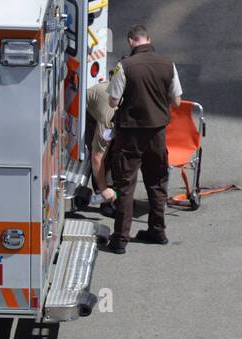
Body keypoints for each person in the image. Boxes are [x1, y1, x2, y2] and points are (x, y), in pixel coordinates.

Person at [104, 24, 182, 254]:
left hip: (130, 135)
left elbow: (112, 102)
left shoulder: (124, 66)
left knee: (126, 186)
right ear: (149, 39)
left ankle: (120, 240)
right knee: (157, 184)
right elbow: (177, 101)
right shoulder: (168, 64)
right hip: (157, 134)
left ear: (130, 41)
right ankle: (157, 232)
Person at [74, 81, 118, 217]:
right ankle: (104, 196)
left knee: (116, 151)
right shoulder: (108, 121)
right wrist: (104, 189)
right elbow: (97, 157)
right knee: (103, 153)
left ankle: (113, 191)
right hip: (88, 109)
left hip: (105, 100)